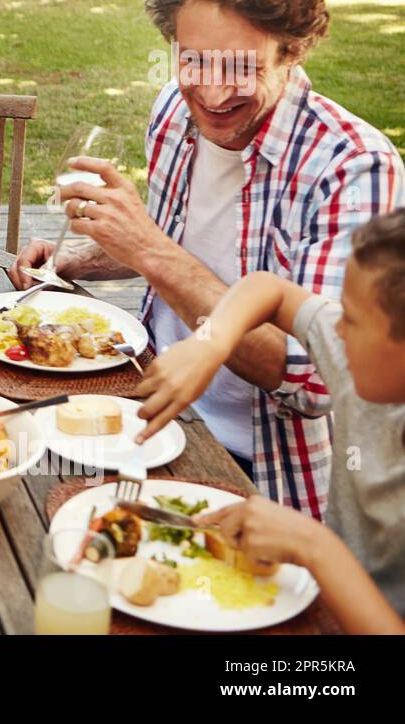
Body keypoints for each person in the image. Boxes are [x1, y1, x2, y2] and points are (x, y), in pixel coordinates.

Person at [8, 0, 404, 516]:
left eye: (241, 66)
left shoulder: (353, 168)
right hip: (140, 402)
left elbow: (318, 382)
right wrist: (82, 260)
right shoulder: (175, 108)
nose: (213, 92)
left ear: (291, 52)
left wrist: (149, 251)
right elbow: (176, 244)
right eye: (193, 60)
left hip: (262, 471)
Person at [135, 209, 405, 633]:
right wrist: (211, 342)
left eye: (350, 320)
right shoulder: (365, 366)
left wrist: (315, 547)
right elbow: (270, 289)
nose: (334, 331)